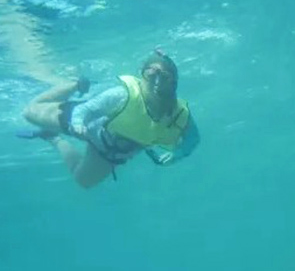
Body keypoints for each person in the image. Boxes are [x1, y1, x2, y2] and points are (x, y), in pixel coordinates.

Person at [19, 49, 200, 188]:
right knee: (29, 112)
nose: (157, 82)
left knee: (83, 181)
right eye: (152, 74)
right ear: (141, 74)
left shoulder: (180, 115)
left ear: (173, 82)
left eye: (164, 77)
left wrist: (179, 153)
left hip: (110, 150)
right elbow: (85, 109)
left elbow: (193, 138)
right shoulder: (122, 95)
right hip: (90, 125)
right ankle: (76, 84)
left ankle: (52, 137)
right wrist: (77, 123)